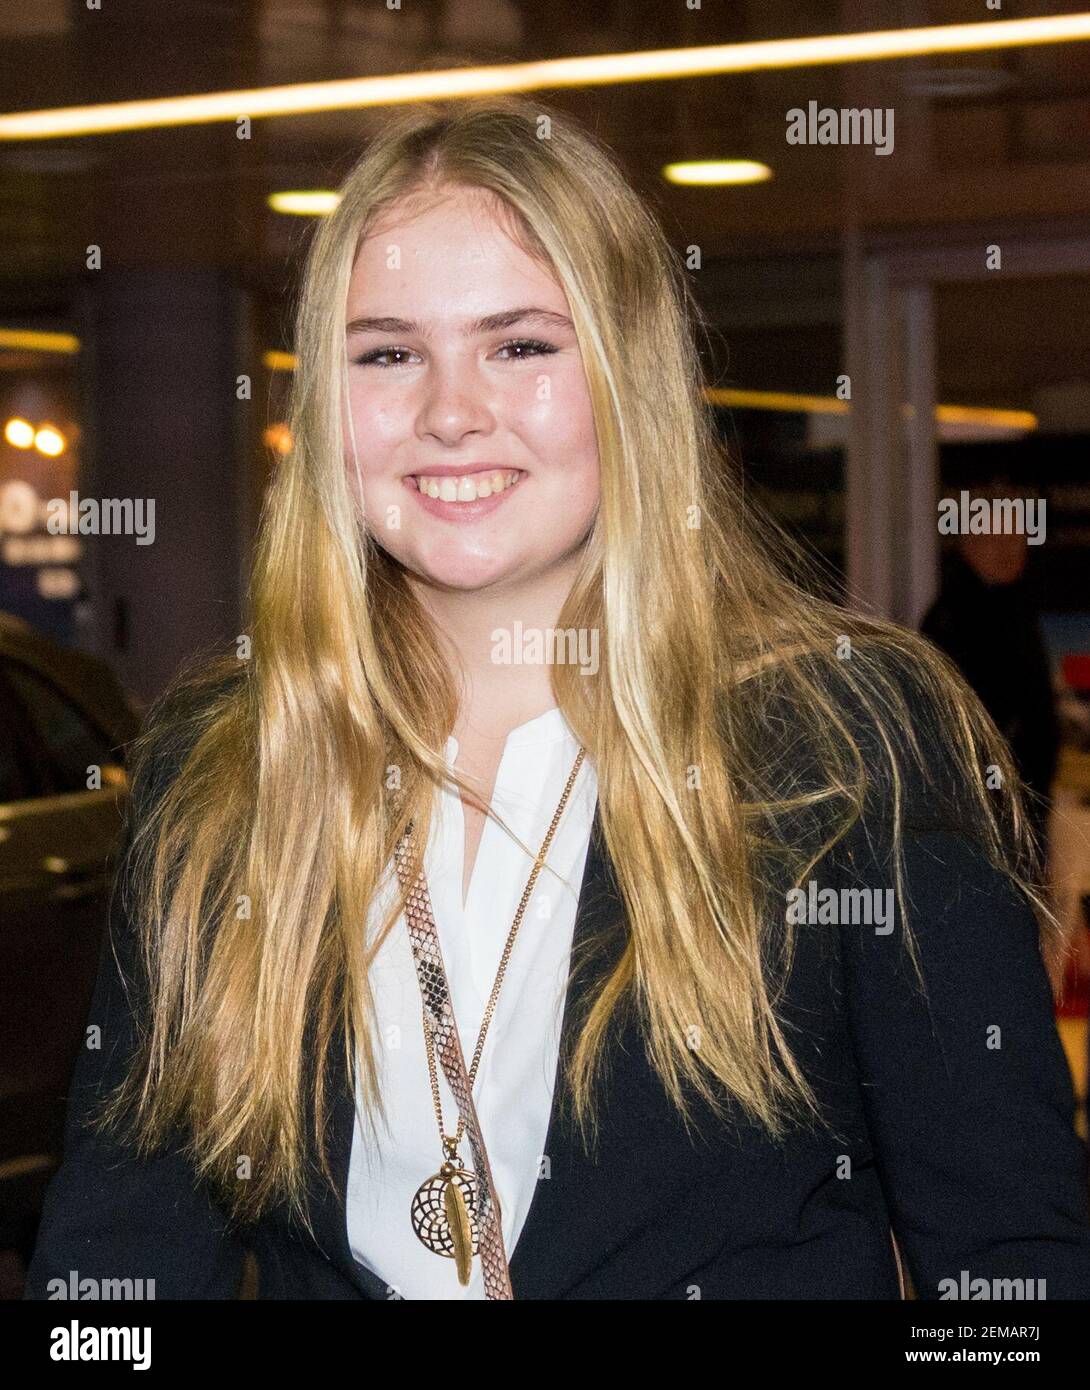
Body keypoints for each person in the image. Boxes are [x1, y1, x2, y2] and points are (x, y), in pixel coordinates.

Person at [25, 97, 1090, 1301]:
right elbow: (115, 1270)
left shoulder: (845, 746)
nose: (449, 411)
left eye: (520, 345)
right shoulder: (227, 767)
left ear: (628, 375)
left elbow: (1010, 1270)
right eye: (388, 353)